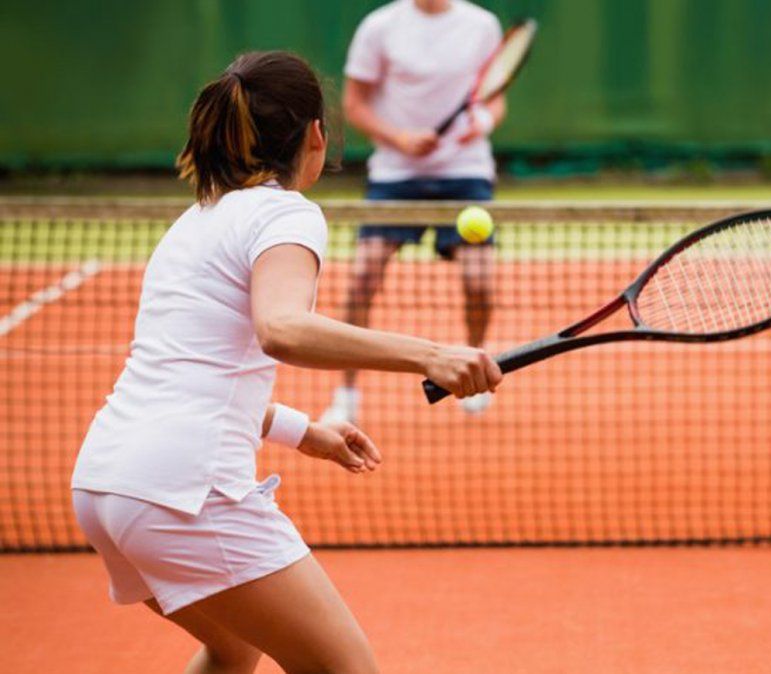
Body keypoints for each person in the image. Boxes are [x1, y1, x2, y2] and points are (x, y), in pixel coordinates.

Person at [70, 52, 501, 674]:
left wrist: (302, 432)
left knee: (233, 649)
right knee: (346, 668)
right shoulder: (286, 213)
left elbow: (195, 372)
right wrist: (430, 354)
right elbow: (282, 330)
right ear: (316, 135)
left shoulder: (197, 220)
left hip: (108, 484)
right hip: (184, 492)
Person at [322, 0, 506, 421]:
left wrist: (484, 124)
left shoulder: (482, 25)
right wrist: (400, 138)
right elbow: (354, 104)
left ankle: (474, 370)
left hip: (466, 172)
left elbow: (494, 101)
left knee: (479, 283)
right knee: (362, 279)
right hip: (395, 174)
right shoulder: (379, 26)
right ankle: (346, 395)